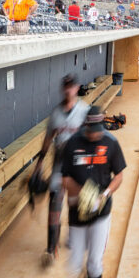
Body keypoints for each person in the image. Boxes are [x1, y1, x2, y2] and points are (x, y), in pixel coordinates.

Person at [62, 107, 126, 278]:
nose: (95, 135)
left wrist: (104, 194)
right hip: (77, 211)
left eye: (98, 131)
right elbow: (64, 178)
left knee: (94, 264)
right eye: (92, 131)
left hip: (101, 212)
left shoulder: (110, 142)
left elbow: (119, 176)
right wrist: (82, 193)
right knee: (73, 266)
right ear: (85, 126)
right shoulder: (73, 143)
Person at [33, 74, 91, 267]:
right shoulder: (56, 113)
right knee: (54, 205)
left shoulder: (84, 110)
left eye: (72, 86)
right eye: (65, 86)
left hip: (78, 166)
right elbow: (48, 137)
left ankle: (75, 237)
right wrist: (39, 163)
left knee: (76, 206)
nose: (68, 90)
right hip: (59, 165)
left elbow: (93, 137)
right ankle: (51, 248)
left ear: (77, 88)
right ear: (62, 88)